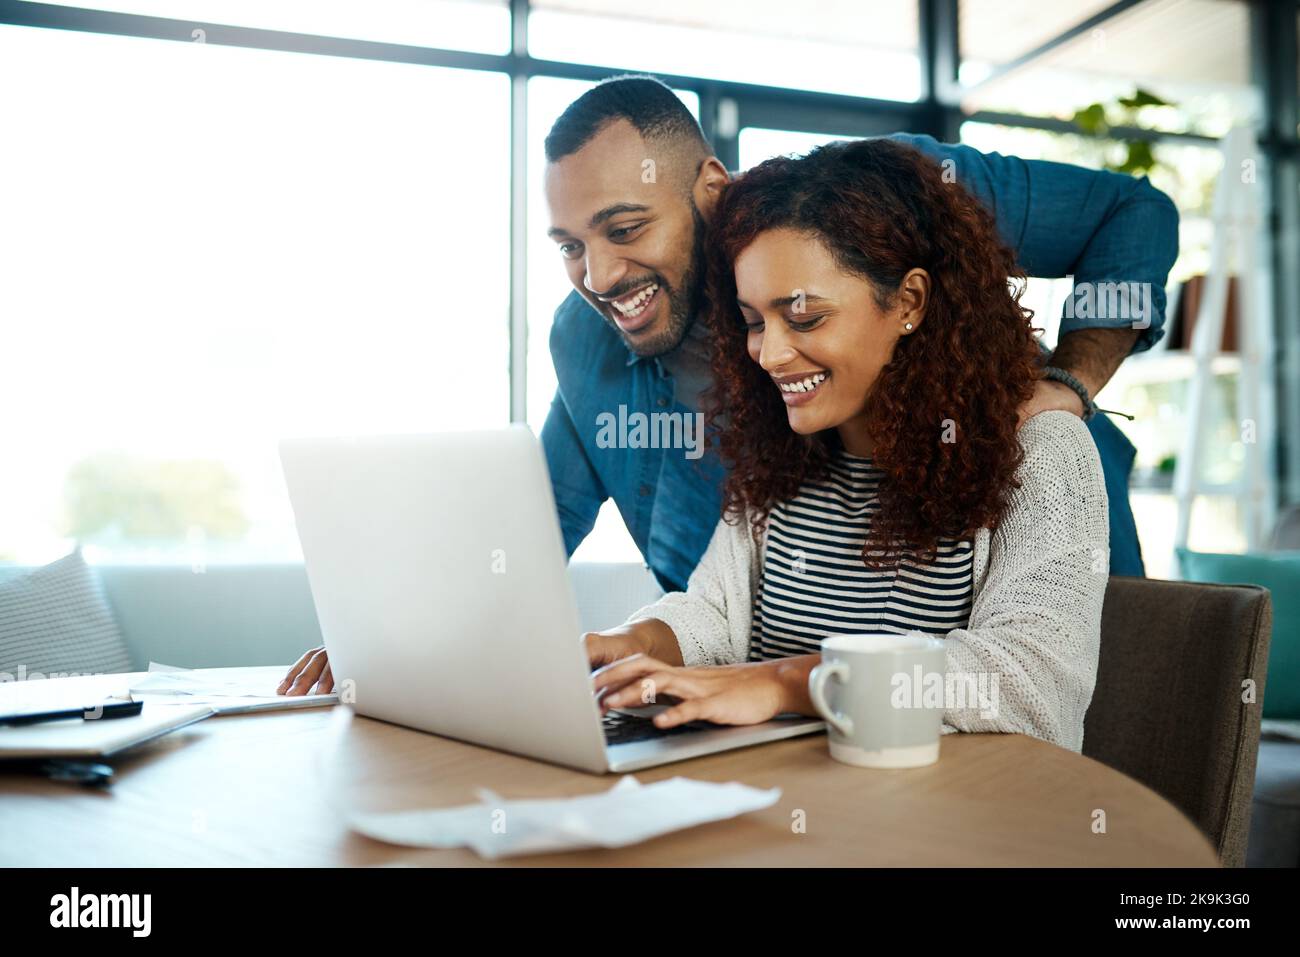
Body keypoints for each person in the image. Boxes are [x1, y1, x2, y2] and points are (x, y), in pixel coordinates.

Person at [278, 74, 1174, 697]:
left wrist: (1071, 378)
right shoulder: (587, 343)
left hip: (1026, 592)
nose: (596, 275)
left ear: (710, 186)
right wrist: (401, 643)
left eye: (625, 226)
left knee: (1141, 777)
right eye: (568, 246)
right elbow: (534, 522)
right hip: (779, 707)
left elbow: (1132, 213)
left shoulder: (871, 199)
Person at [587, 138, 1108, 752]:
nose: (771, 354)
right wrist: (633, 643)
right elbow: (718, 615)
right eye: (754, 322)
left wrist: (788, 681)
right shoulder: (782, 454)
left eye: (804, 319)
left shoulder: (1043, 451)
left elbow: (1031, 682)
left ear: (909, 301)